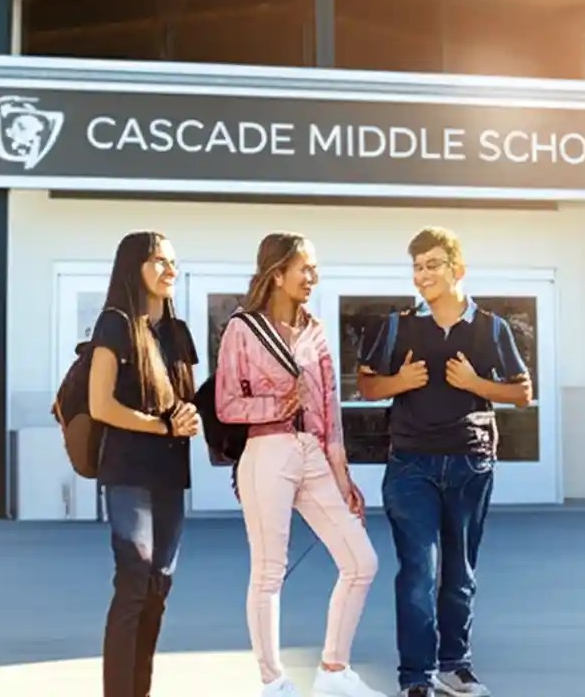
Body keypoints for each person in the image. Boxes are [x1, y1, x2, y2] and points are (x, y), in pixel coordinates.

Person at [358, 226, 532, 697]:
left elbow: (521, 392)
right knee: (418, 570)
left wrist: (476, 384)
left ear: (458, 269)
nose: (423, 275)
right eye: (417, 267)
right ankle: (416, 676)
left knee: (459, 573)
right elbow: (368, 385)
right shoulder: (396, 326)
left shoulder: (491, 328)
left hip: (470, 464)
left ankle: (455, 666)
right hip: (410, 464)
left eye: (432, 265)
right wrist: (400, 382)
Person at [215, 232, 386, 697]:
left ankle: (333, 671)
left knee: (362, 561)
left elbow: (330, 410)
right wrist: (276, 404)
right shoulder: (242, 329)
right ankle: (274, 682)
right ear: (277, 274)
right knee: (269, 571)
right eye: (305, 268)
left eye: (315, 268)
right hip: (266, 450)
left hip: (312, 451)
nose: (313, 276)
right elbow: (226, 404)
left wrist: (343, 476)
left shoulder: (316, 331)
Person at [87, 230, 201, 697]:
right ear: (133, 267)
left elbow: (189, 400)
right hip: (129, 472)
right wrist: (161, 427)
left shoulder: (177, 332)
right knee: (134, 580)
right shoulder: (114, 324)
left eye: (173, 261)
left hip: (170, 474)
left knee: (158, 587)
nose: (170, 269)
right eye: (159, 260)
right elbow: (100, 405)